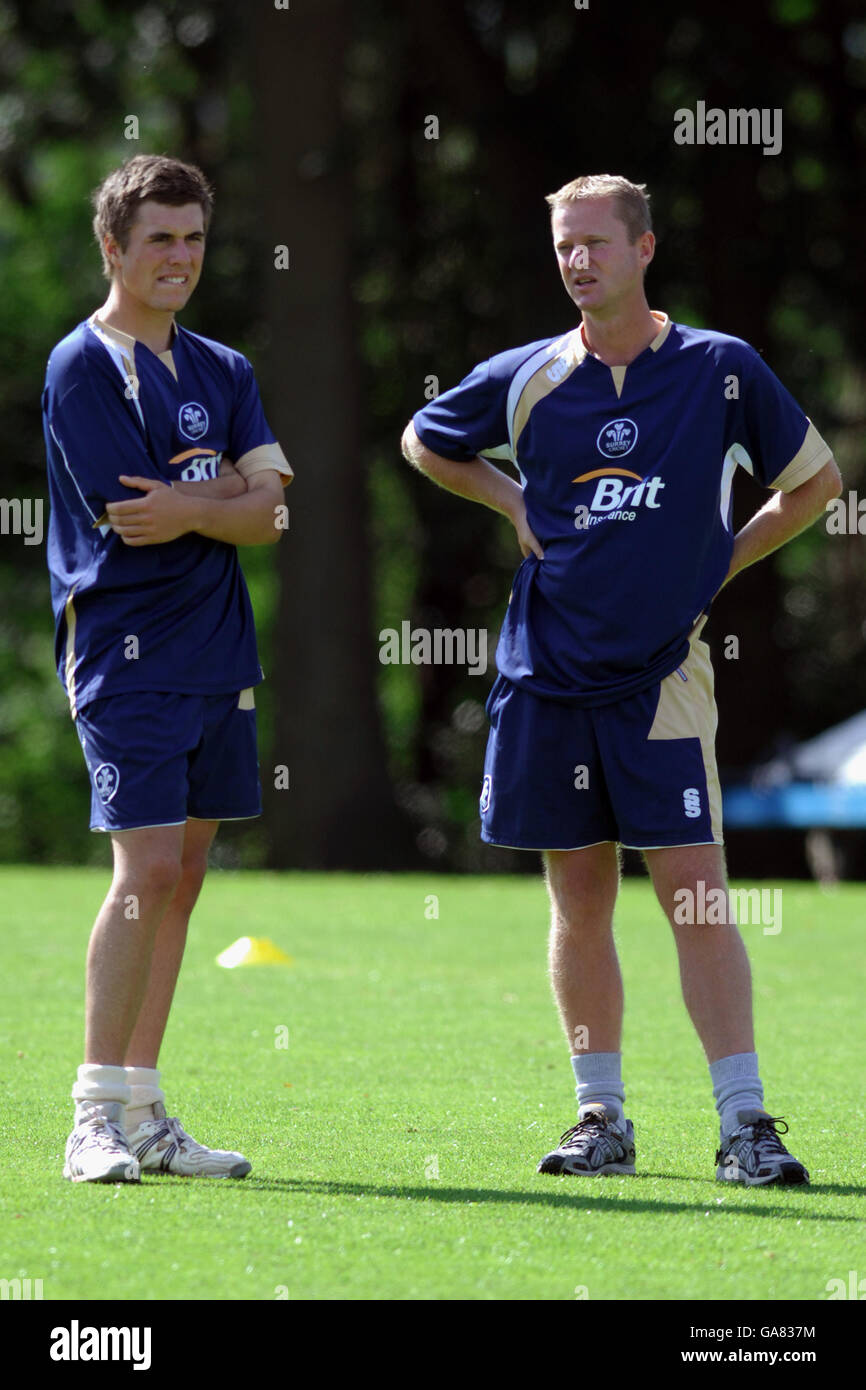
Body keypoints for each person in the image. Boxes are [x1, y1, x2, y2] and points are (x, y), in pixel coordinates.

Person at [402, 173, 841, 1185]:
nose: (576, 261)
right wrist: (506, 497)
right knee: (579, 897)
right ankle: (598, 1117)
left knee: (692, 894)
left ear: (643, 250)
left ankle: (743, 1125)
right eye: (563, 245)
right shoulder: (526, 377)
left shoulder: (719, 370)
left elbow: (813, 484)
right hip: (544, 679)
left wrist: (716, 561)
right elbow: (423, 440)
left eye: (595, 243)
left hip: (660, 681)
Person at [42, 155, 292, 1183]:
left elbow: (273, 515)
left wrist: (211, 502)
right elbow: (135, 518)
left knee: (185, 879)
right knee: (143, 874)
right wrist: (217, 497)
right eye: (159, 240)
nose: (179, 258)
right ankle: (92, 1114)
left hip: (217, 655)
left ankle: (145, 1108)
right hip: (124, 654)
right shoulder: (81, 365)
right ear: (113, 247)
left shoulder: (225, 369)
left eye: (192, 238)